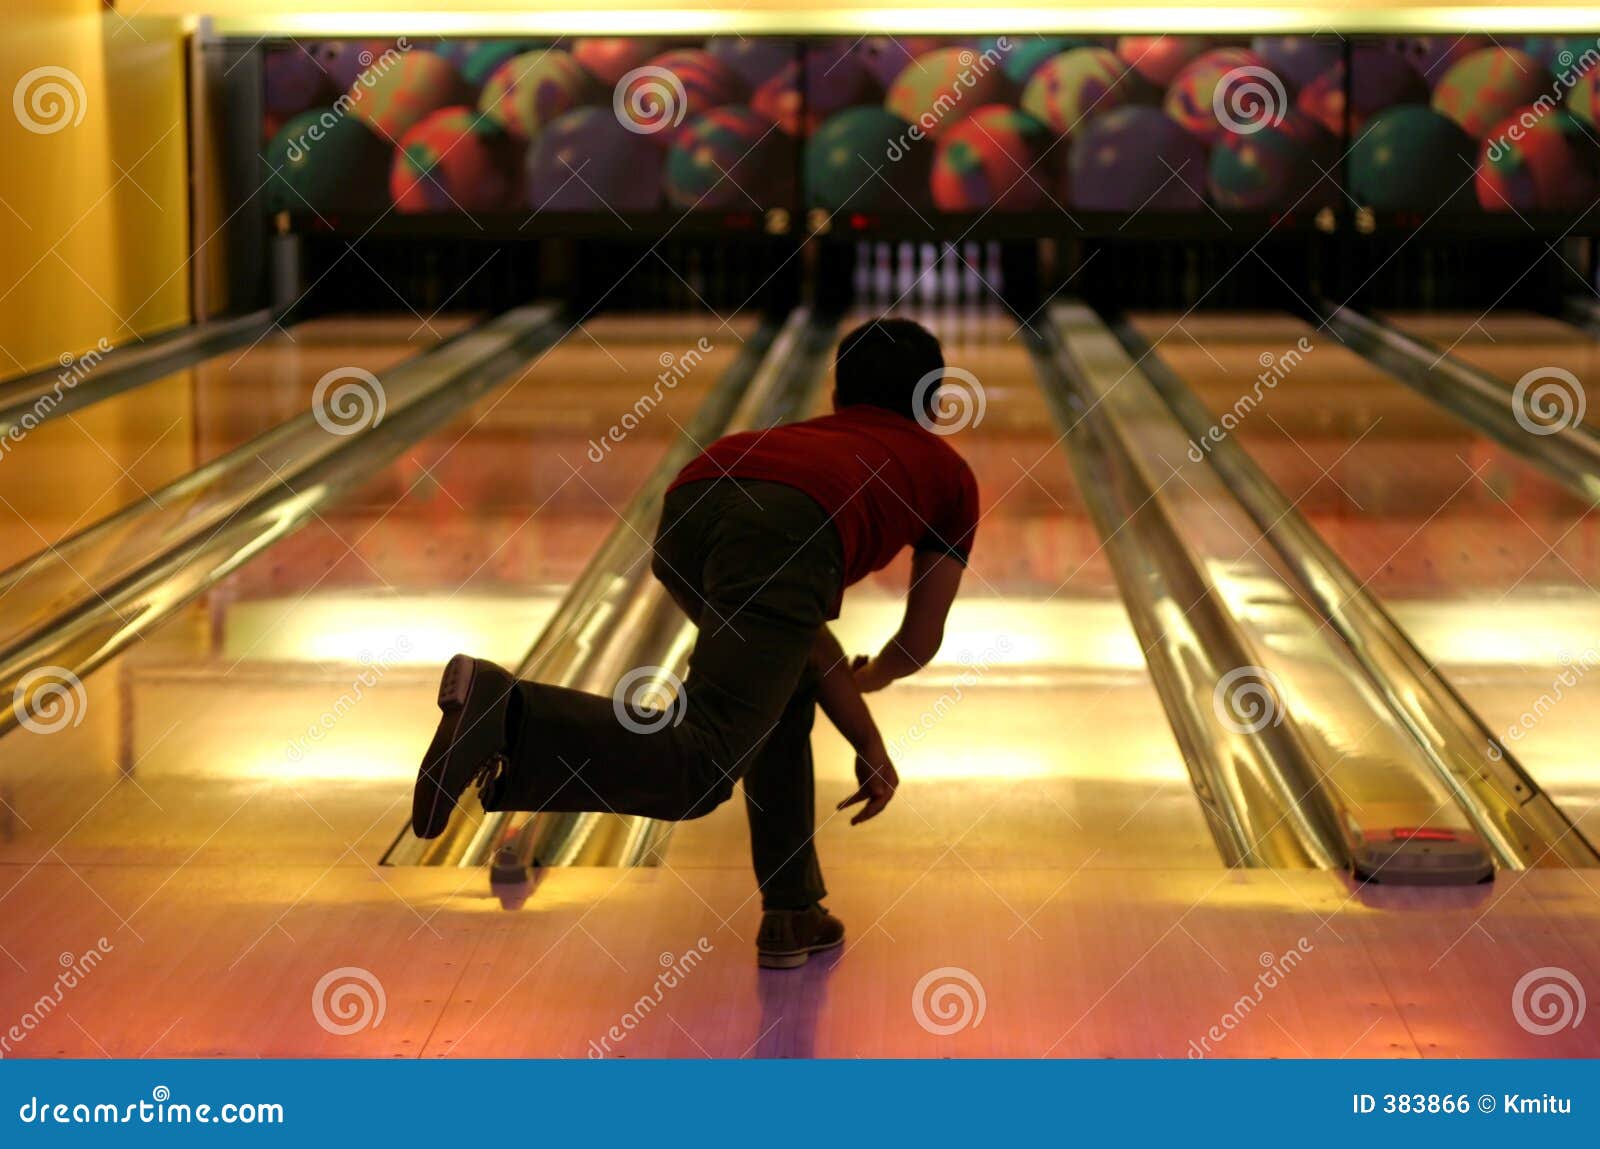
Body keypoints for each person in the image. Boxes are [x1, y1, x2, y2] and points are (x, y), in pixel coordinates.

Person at [411, 318, 979, 968]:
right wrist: (876, 679)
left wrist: (866, 737)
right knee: (699, 766)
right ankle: (508, 715)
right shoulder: (949, 475)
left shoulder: (812, 440)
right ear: (935, 400)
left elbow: (807, 646)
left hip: (696, 497)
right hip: (786, 526)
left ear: (837, 396)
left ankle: (793, 911)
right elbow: (920, 636)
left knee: (782, 693)